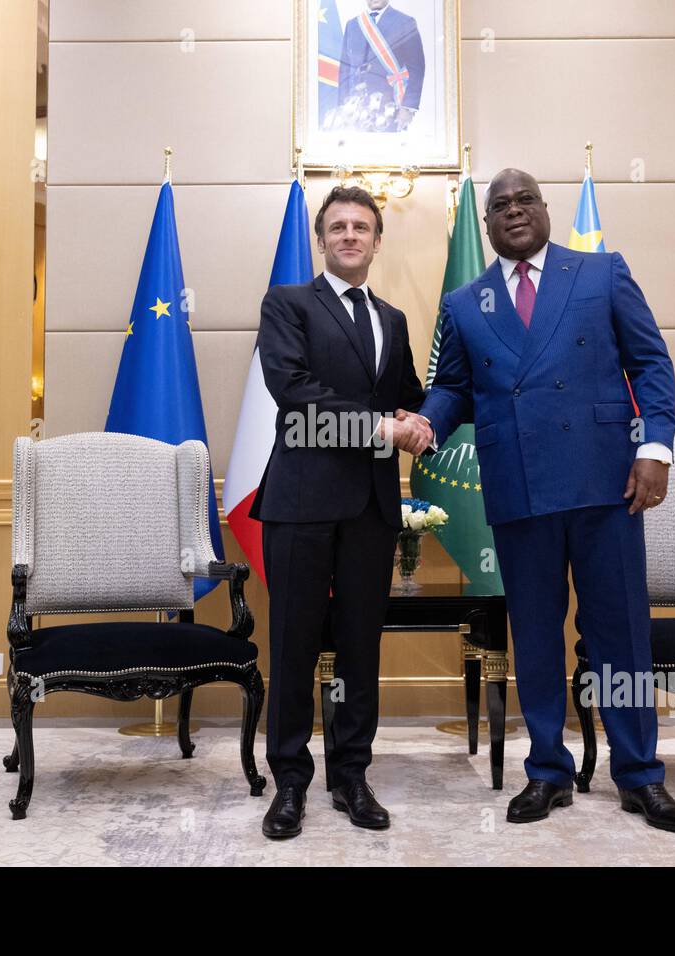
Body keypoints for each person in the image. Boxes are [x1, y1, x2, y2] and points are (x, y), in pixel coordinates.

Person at [411, 168, 675, 833]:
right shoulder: (464, 302)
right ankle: (547, 771)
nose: (513, 211)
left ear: (544, 209)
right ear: (486, 226)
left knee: (619, 633)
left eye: (524, 201)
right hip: (519, 488)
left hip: (608, 485)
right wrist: (425, 422)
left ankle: (639, 774)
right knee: (534, 636)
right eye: (499, 206)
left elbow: (651, 363)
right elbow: (453, 389)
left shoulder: (601, 273)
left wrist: (656, 448)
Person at [251, 185, 434, 839]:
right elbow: (295, 392)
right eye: (338, 227)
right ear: (321, 241)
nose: (350, 235)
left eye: (362, 226)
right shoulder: (288, 304)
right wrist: (386, 431)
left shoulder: (393, 319)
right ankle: (290, 782)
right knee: (295, 646)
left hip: (372, 507)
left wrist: (437, 410)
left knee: (360, 647)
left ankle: (352, 775)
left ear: (377, 241)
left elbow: (410, 393)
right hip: (300, 500)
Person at [334, 0, 426, 132]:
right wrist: (342, 106)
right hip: (355, 109)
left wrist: (407, 108)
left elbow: (417, 68)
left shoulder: (405, 22)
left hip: (389, 107)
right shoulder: (352, 25)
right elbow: (345, 70)